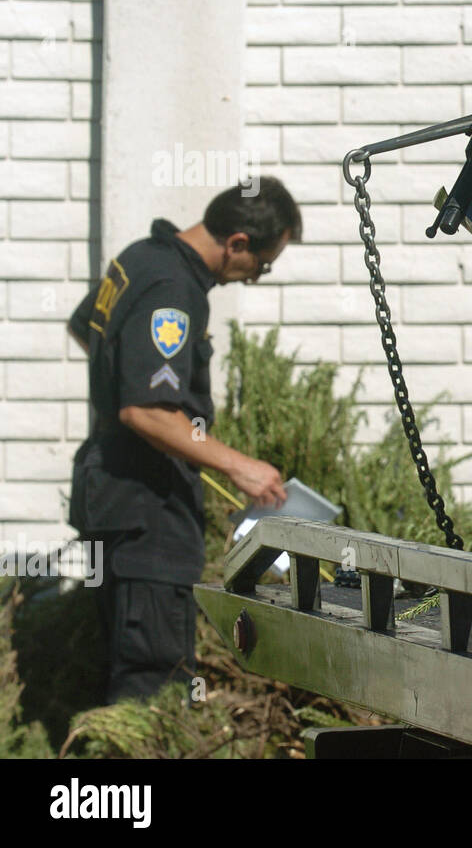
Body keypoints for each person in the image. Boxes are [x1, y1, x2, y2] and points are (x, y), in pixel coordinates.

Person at [67, 178, 300, 702]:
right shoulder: (175, 289)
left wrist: (123, 382)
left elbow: (88, 328)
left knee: (125, 667)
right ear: (237, 243)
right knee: (156, 681)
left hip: (110, 495)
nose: (256, 279)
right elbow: (146, 409)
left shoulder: (141, 257)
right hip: (146, 507)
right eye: (261, 265)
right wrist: (240, 466)